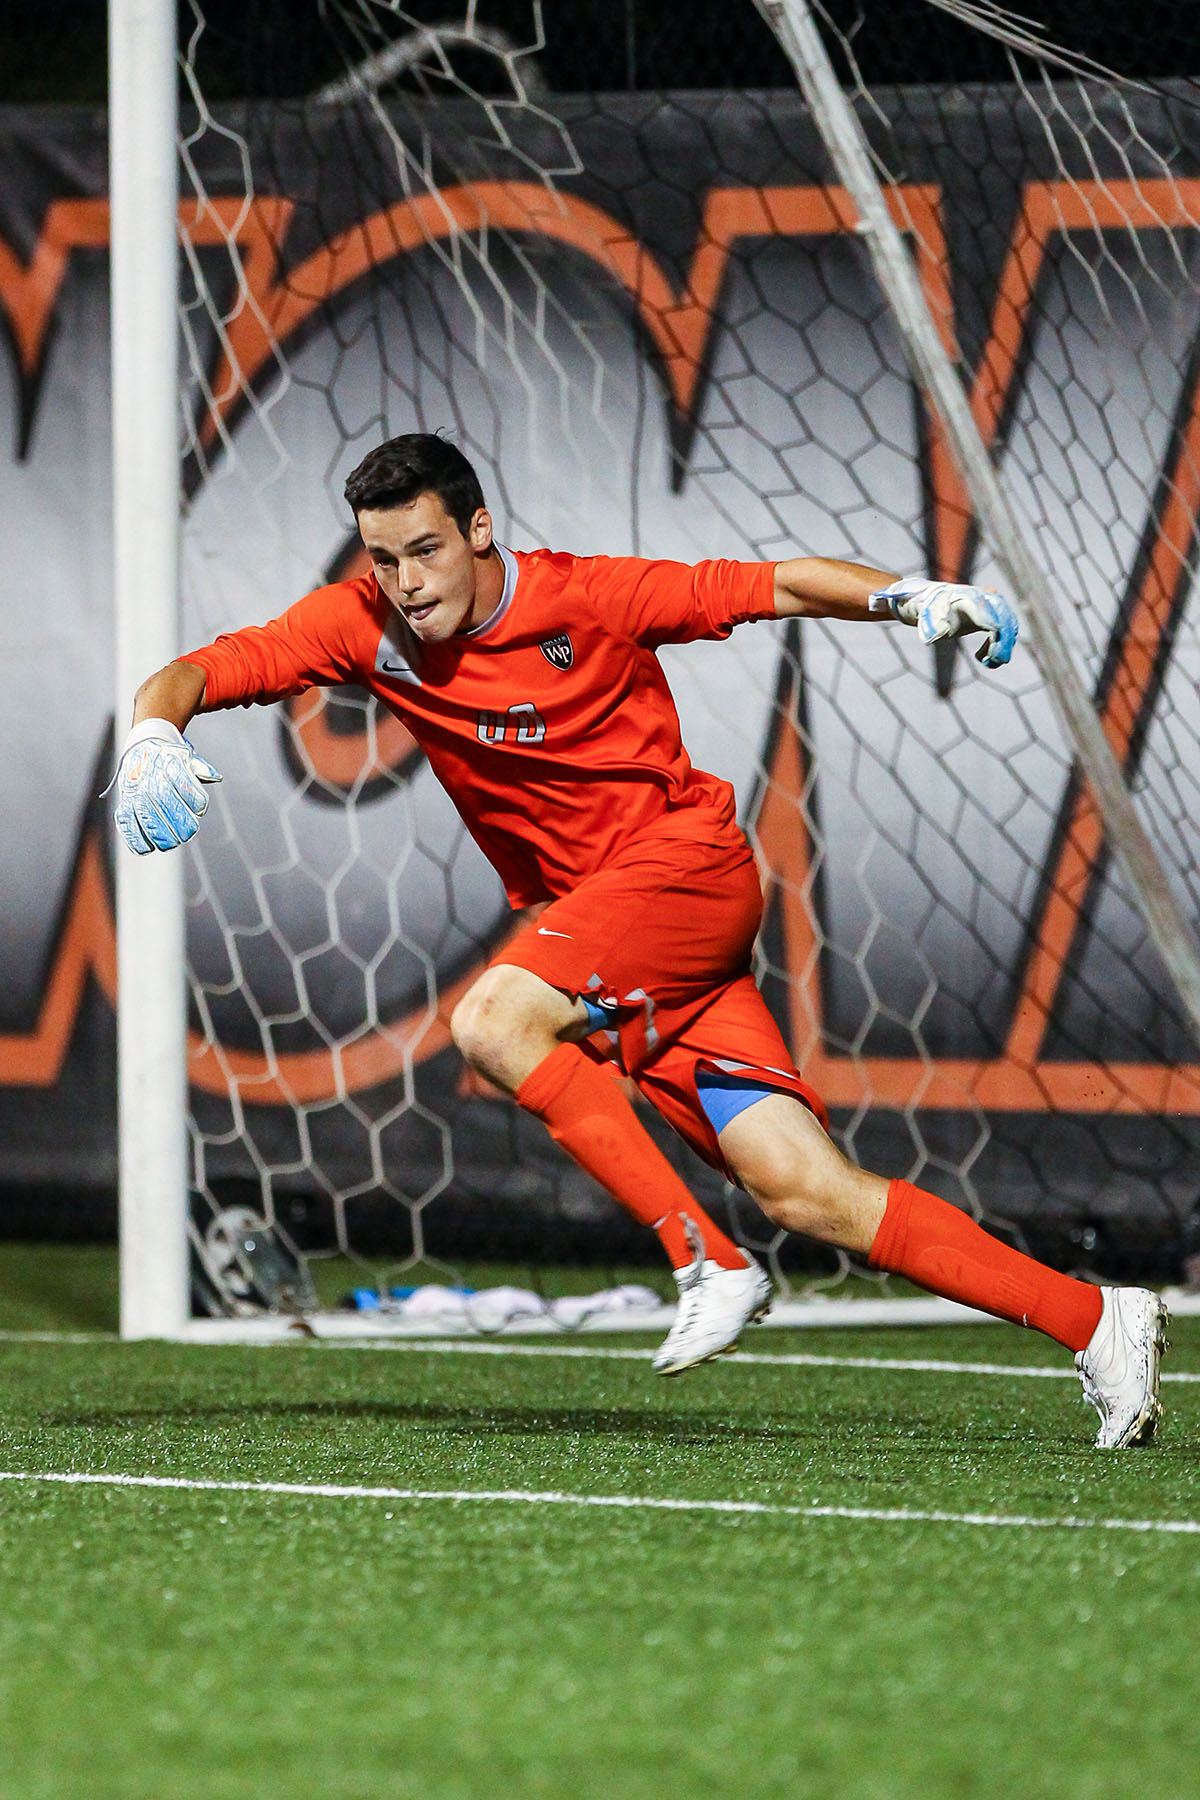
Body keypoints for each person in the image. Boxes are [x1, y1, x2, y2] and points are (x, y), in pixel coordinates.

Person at [113, 432, 1167, 1449]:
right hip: (632, 944)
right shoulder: (361, 624)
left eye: (425, 550)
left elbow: (776, 587)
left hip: (685, 875)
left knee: (492, 1018)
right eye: (384, 559)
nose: (406, 583)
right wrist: (155, 730)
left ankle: (706, 1261)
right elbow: (205, 668)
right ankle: (1097, 1321)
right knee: (807, 1191)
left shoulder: (587, 596)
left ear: (480, 531)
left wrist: (907, 595)